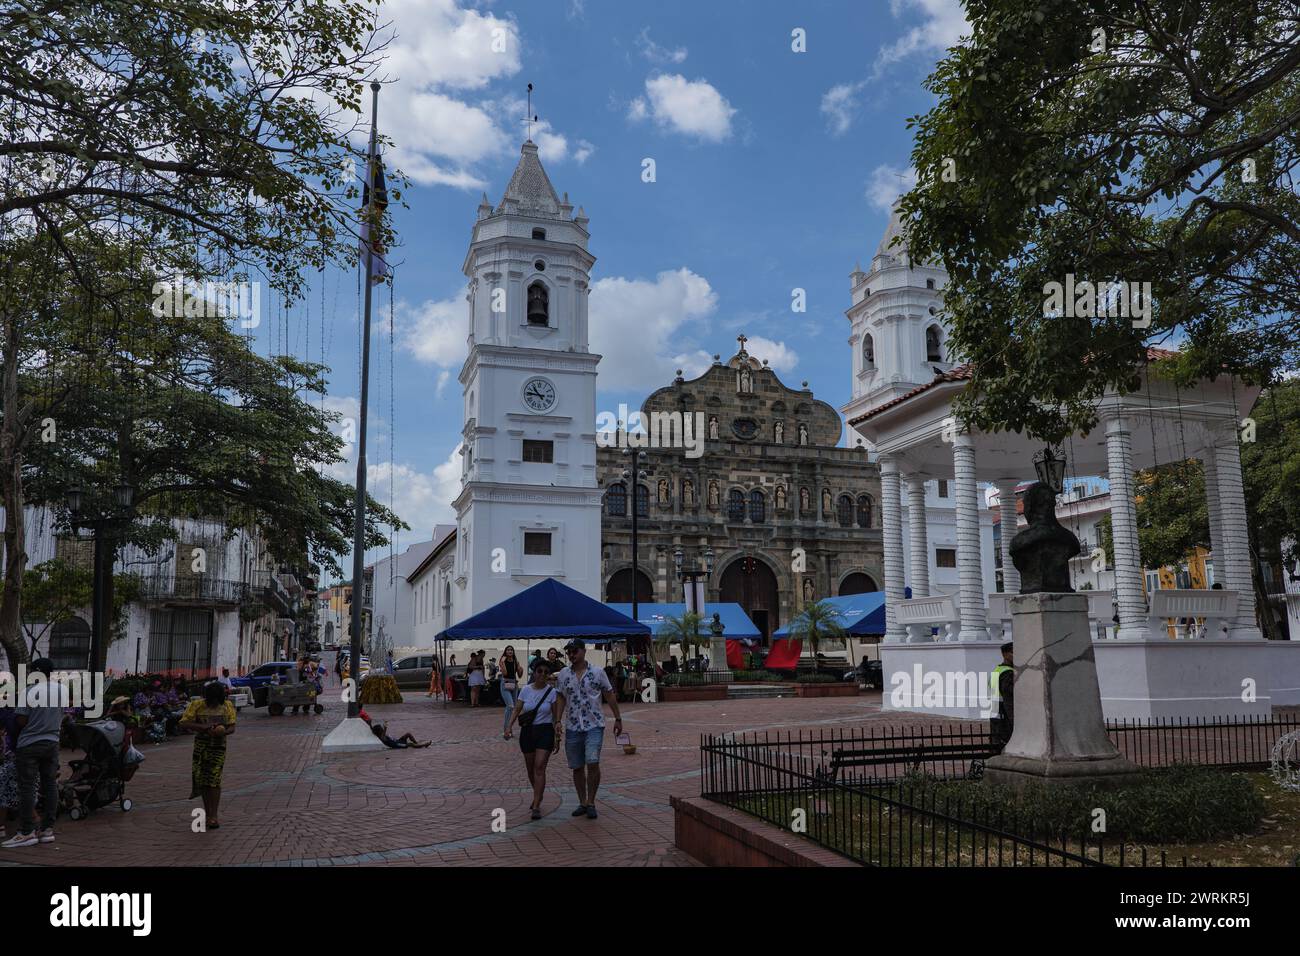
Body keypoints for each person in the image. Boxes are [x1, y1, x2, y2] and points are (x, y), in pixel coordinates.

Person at [1, 659, 69, 849]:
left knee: (27, 788)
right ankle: (47, 830)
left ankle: (26, 832)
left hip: (30, 744)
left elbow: (21, 721)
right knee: (49, 785)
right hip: (52, 743)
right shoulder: (61, 690)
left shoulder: (29, 691)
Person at [554, 639, 622, 820]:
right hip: (573, 725)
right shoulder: (563, 674)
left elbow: (609, 694)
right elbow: (560, 697)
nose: (571, 655)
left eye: (575, 651)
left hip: (594, 725)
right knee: (576, 766)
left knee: (592, 761)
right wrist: (558, 721)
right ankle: (582, 801)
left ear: (584, 651)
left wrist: (618, 718)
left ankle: (591, 801)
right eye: (569, 652)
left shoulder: (598, 672)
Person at [178, 681, 237, 830]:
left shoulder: (227, 706)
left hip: (218, 748)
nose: (215, 703)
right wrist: (203, 728)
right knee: (203, 780)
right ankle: (208, 813)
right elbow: (183, 723)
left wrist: (222, 731)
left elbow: (232, 728)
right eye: (212, 700)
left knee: (214, 780)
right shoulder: (197, 705)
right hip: (201, 747)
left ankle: (214, 815)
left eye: (218, 700)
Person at [505, 656, 558, 819]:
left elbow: (556, 717)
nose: (542, 674)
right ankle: (538, 794)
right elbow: (517, 709)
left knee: (539, 766)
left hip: (545, 731)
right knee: (530, 769)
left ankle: (536, 804)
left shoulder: (552, 692)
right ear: (534, 673)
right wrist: (509, 727)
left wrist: (557, 736)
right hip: (528, 731)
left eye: (546, 672)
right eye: (539, 671)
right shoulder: (526, 690)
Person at [990, 642, 1014, 752]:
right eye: (1013, 653)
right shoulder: (1008, 673)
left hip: (995, 712)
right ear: (1005, 655)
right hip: (1005, 713)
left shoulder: (997, 670)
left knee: (996, 742)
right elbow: (1009, 696)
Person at [498, 646, 523, 738]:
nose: (510, 651)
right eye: (508, 650)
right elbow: (504, 674)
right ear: (505, 652)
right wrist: (502, 663)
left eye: (511, 650)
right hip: (505, 684)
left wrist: (520, 668)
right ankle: (506, 730)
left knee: (514, 709)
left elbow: (520, 676)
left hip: (514, 685)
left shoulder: (515, 661)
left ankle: (510, 729)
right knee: (510, 706)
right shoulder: (502, 661)